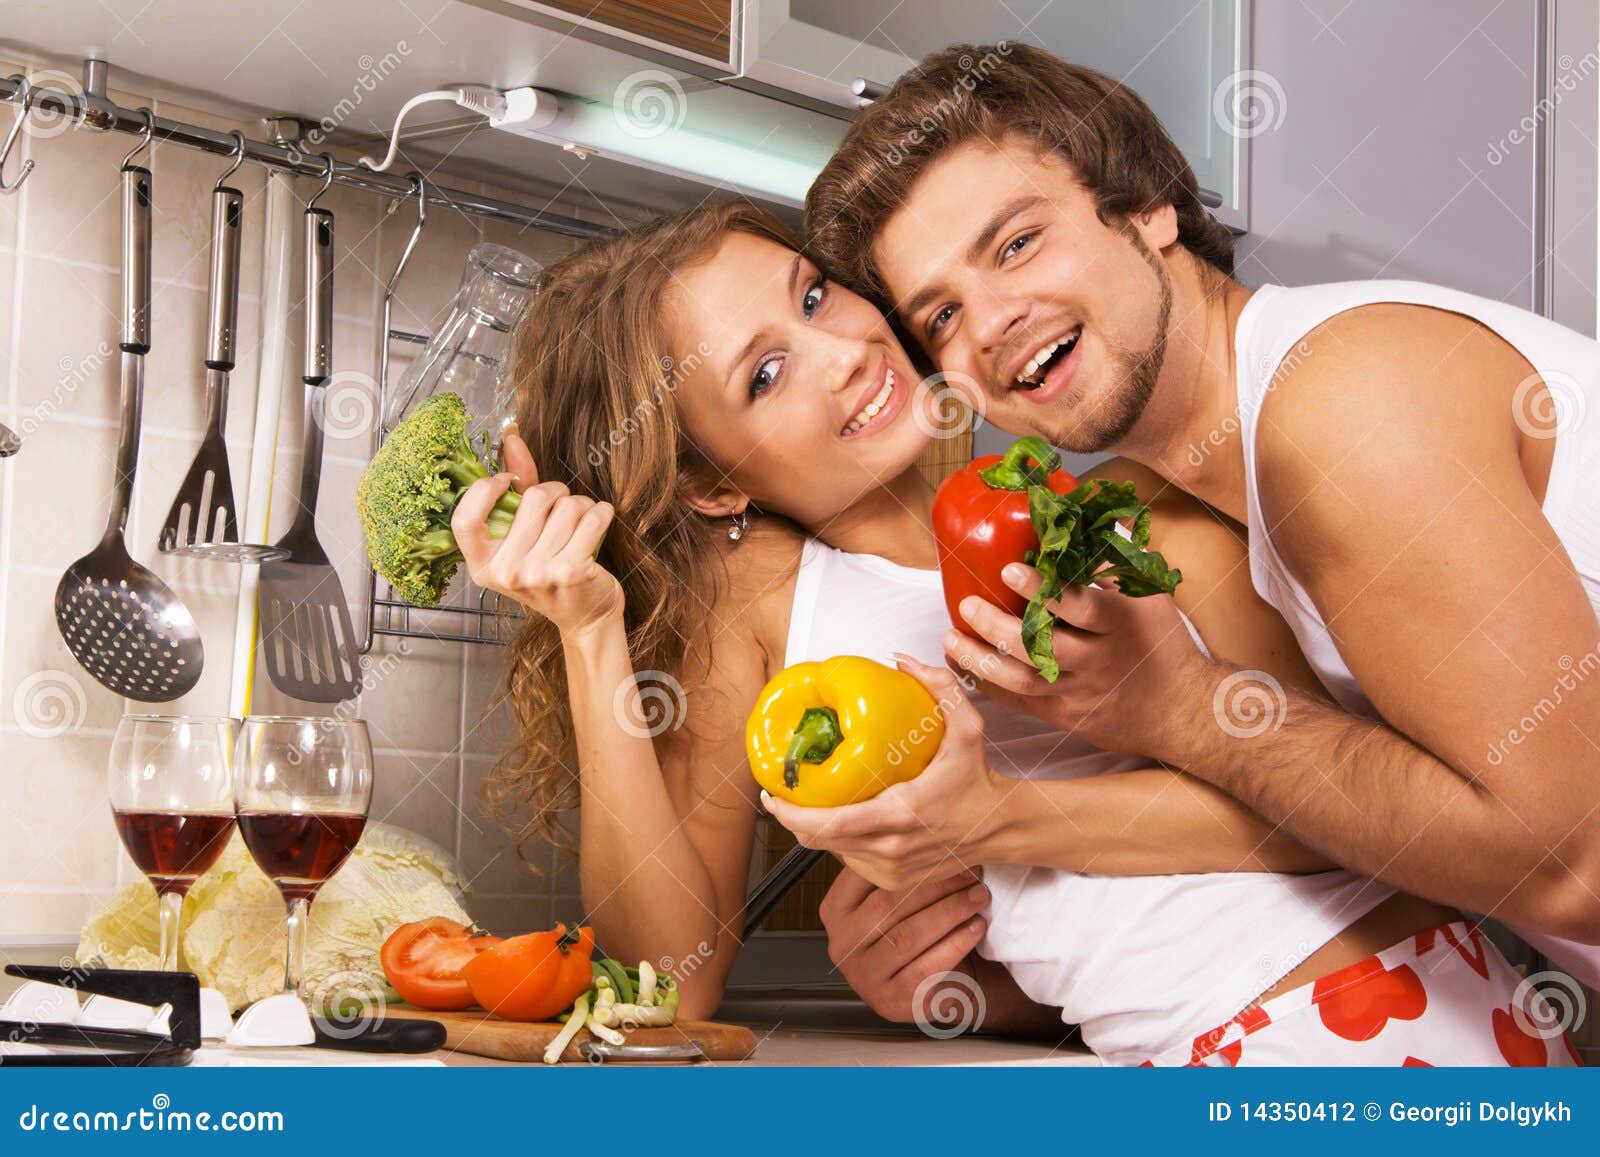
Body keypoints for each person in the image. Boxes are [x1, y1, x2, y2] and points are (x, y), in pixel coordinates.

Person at [452, 200, 1574, 1065]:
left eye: (810, 297)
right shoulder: (760, 604)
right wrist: (591, 631)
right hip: (1192, 1052)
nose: (843, 348)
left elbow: (1348, 821)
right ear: (705, 484)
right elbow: (668, 984)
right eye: (765, 373)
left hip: (1399, 1017)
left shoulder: (1127, 519)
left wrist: (1001, 817)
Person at [789, 42, 1600, 999]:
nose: (993, 319)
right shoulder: (1217, 500)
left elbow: (1570, 869)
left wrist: (1183, 708)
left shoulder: (1337, 397)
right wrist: (960, 987)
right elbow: (1409, 850)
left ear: (1148, 209)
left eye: (1016, 243)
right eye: (940, 316)